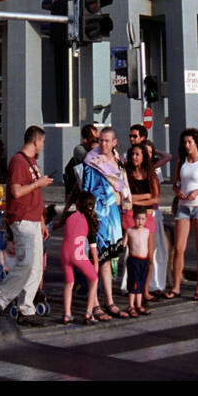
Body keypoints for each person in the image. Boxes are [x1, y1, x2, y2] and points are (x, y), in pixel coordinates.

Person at [0, 125, 53, 326]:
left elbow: (36, 195)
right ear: (35, 141)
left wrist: (42, 221)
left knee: (35, 268)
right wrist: (38, 184)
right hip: (22, 219)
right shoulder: (18, 161)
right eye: (41, 142)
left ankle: (26, 307)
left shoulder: (32, 163)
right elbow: (15, 191)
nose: (42, 146)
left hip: (33, 219)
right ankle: (0, 298)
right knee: (26, 263)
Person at [81, 126, 133, 318]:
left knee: (108, 259)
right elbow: (86, 190)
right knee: (95, 259)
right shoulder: (92, 161)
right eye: (100, 140)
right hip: (97, 215)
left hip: (114, 215)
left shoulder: (118, 161)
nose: (102, 143)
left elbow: (124, 187)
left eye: (106, 140)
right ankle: (94, 304)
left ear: (114, 143)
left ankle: (109, 301)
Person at [168, 129, 198, 300]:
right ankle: (176, 287)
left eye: (190, 142)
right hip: (183, 207)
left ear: (196, 143)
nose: (187, 145)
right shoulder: (181, 162)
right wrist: (178, 192)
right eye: (185, 142)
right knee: (179, 247)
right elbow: (175, 184)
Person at [58, 190, 102, 325]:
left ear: (77, 204)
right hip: (79, 255)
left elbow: (61, 224)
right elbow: (93, 245)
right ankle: (89, 312)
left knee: (69, 283)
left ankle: (67, 314)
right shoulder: (90, 219)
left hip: (65, 254)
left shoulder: (70, 216)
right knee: (94, 279)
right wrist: (95, 262)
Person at [124, 142, 159, 308]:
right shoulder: (127, 174)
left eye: (138, 154)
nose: (134, 157)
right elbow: (125, 198)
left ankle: (144, 290)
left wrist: (136, 198)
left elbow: (155, 198)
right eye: (132, 154)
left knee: (148, 256)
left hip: (148, 216)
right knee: (132, 257)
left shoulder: (150, 174)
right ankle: (133, 290)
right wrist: (144, 196)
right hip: (131, 216)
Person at [141, 137, 171, 298]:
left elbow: (168, 156)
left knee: (158, 251)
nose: (146, 155)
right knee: (138, 253)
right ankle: (137, 287)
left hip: (153, 213)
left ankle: (155, 284)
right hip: (139, 214)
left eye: (149, 153)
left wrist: (154, 149)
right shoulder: (134, 170)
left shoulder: (153, 169)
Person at [124, 209, 152, 315]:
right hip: (134, 260)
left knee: (141, 283)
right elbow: (124, 243)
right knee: (133, 283)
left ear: (146, 220)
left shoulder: (147, 231)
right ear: (134, 219)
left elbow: (148, 245)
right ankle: (131, 305)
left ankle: (139, 305)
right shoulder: (130, 231)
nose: (140, 221)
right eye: (138, 219)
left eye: (143, 219)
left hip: (144, 260)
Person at [63, 124, 99, 196]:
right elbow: (89, 159)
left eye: (97, 138)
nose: (95, 140)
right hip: (83, 185)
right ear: (85, 140)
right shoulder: (79, 149)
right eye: (92, 137)